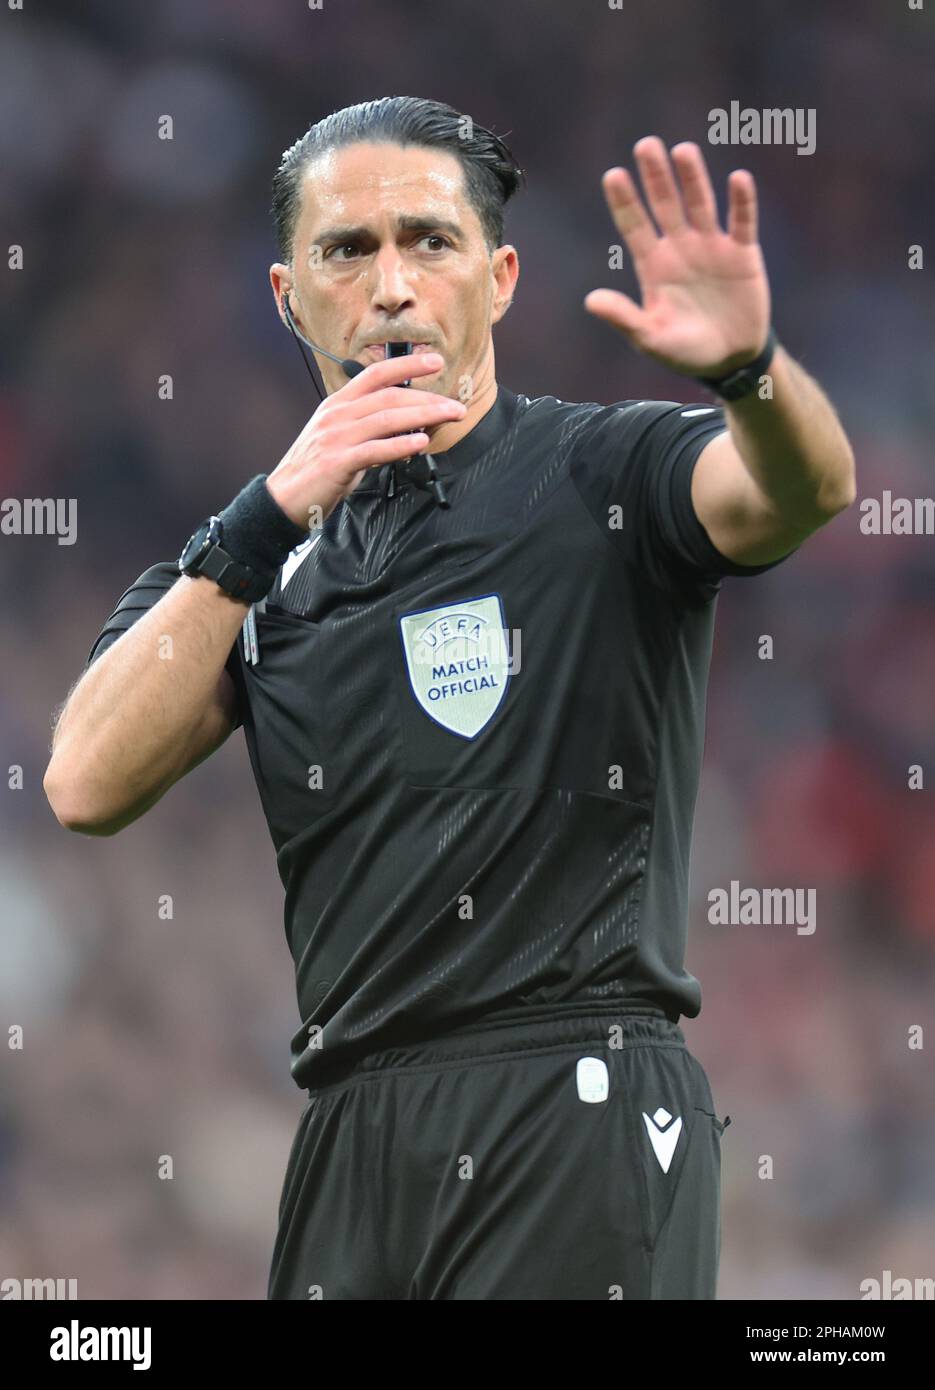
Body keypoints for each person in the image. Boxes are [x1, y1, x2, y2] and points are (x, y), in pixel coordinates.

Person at [44, 96, 856, 1300]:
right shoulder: (245, 565)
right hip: (346, 1128)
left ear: (501, 276)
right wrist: (265, 518)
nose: (390, 285)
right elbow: (83, 784)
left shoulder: (600, 472)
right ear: (286, 296)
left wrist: (746, 371)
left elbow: (798, 491)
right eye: (346, 250)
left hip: (568, 1096)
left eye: (429, 241)